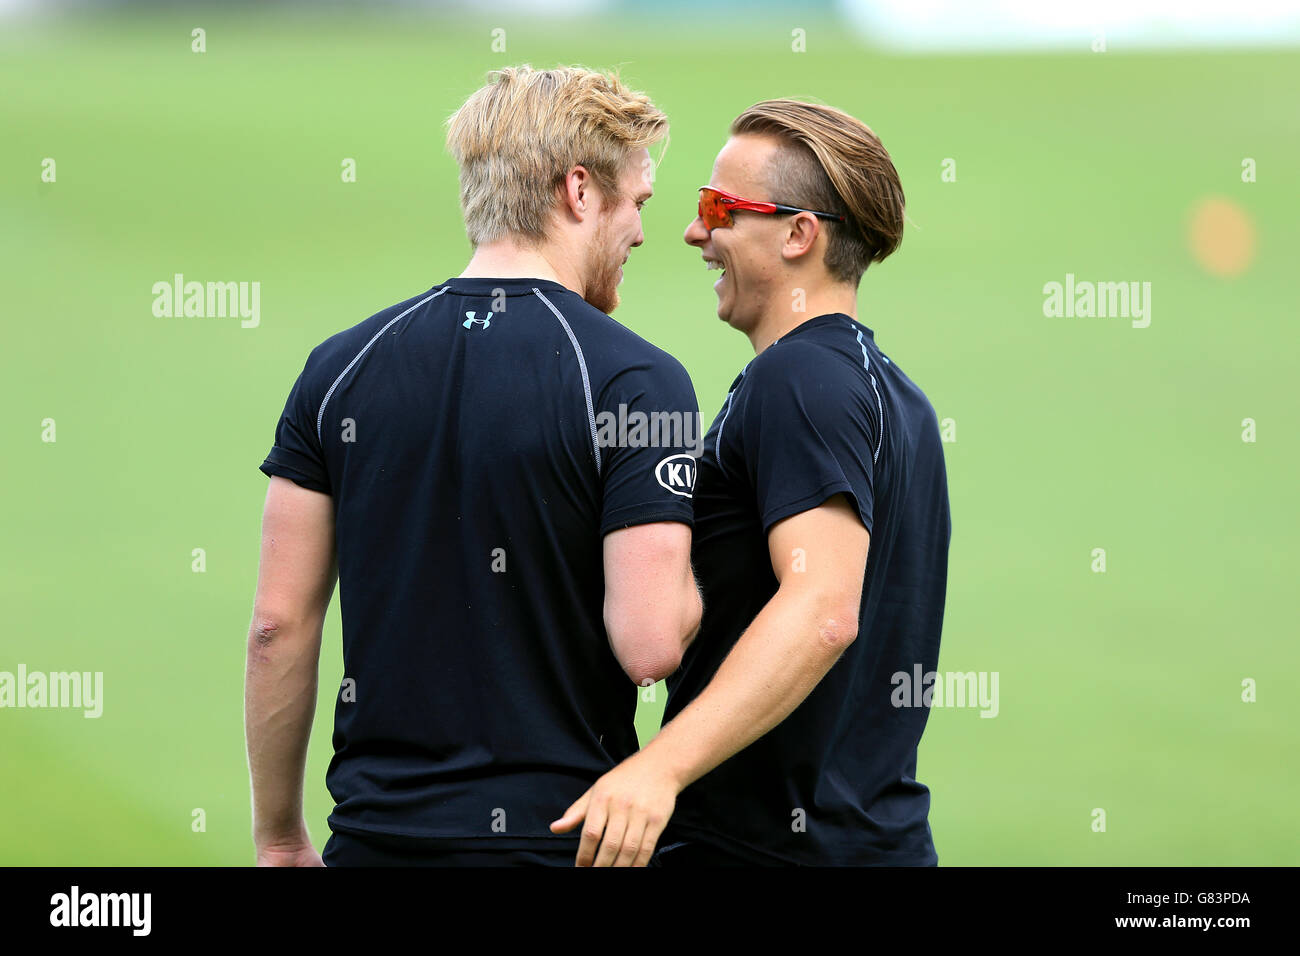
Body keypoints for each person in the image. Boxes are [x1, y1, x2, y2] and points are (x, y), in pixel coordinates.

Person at [245, 65, 702, 867]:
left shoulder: (339, 369)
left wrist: (280, 835)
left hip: (374, 841)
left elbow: (276, 628)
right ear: (580, 192)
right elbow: (650, 644)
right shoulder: (634, 380)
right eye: (638, 203)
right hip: (558, 844)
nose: (640, 230)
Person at [552, 99, 951, 866]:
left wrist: (655, 771)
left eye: (718, 209)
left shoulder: (798, 380)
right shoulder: (893, 396)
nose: (695, 232)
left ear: (800, 233)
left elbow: (824, 610)